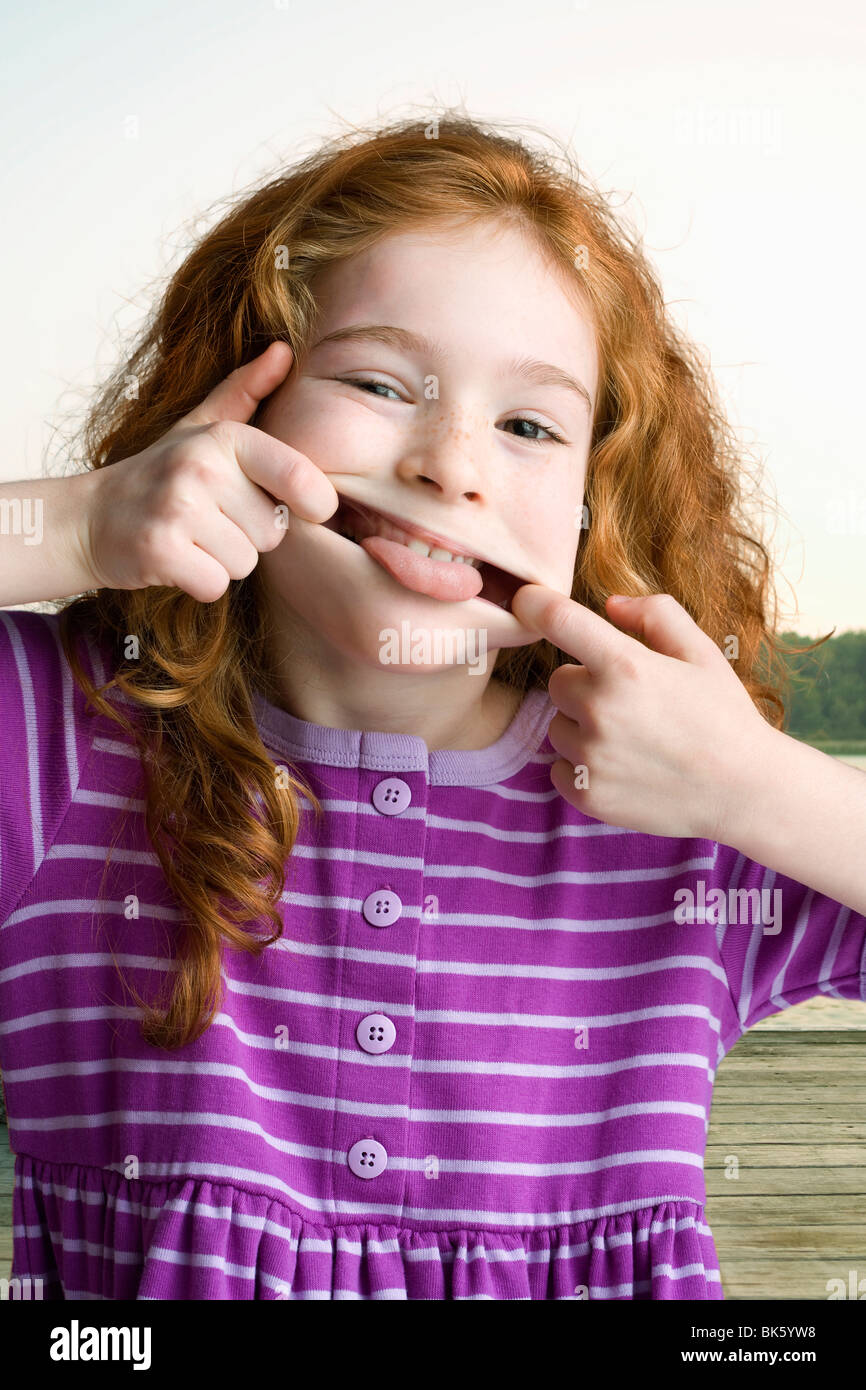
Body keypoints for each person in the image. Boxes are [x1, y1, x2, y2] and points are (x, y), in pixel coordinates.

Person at [0, 113, 864, 1300]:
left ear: (589, 502)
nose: (450, 462)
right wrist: (79, 526)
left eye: (527, 425)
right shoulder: (65, 744)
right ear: (233, 404)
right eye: (377, 381)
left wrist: (754, 784)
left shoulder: (688, 819)